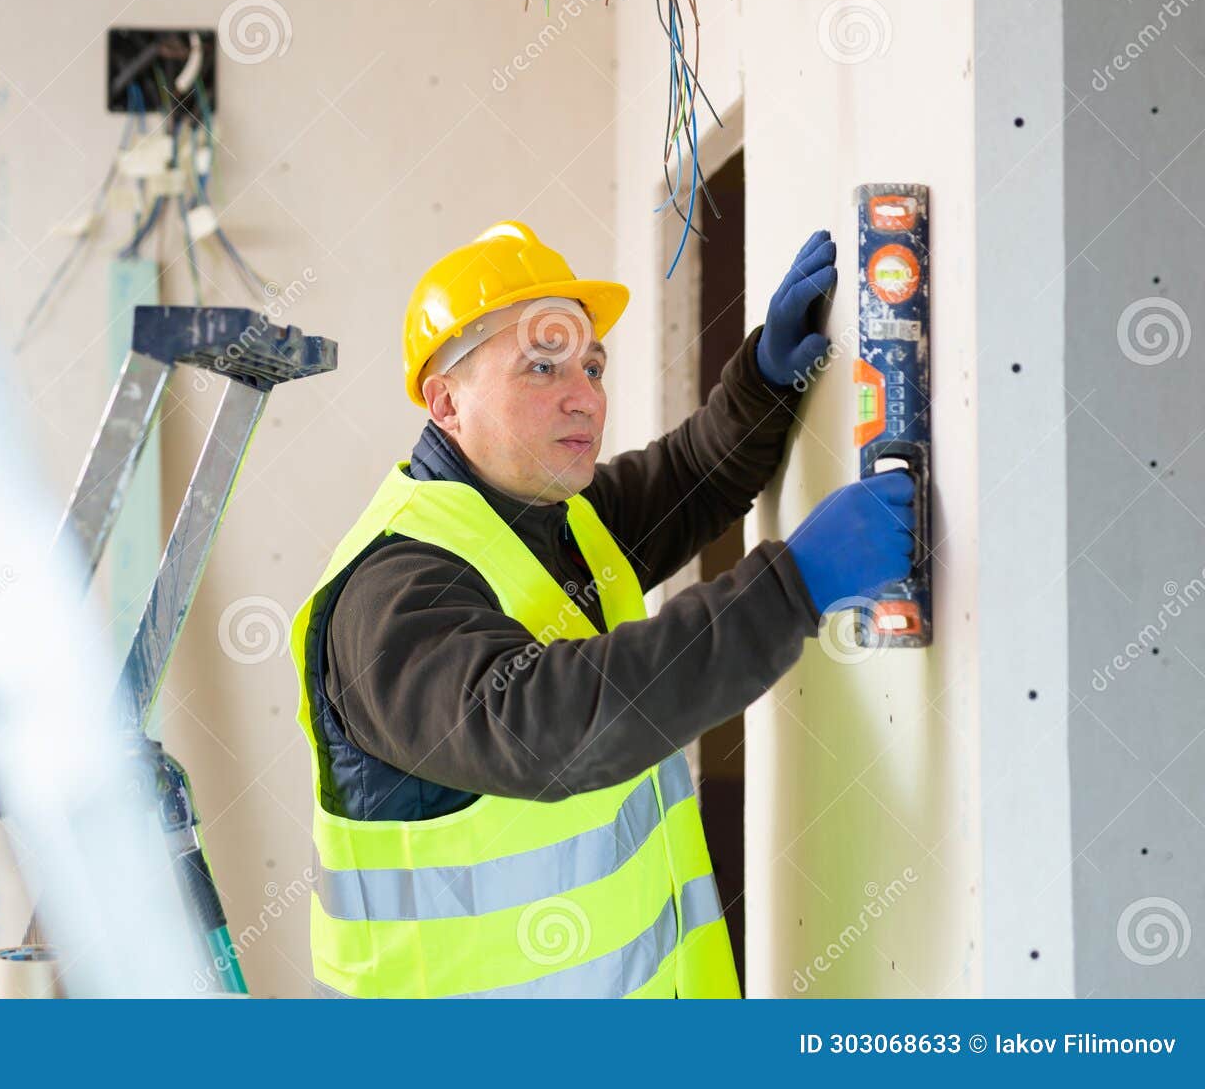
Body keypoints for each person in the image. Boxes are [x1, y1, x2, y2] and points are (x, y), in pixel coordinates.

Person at [289, 220, 914, 998]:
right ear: (446, 401)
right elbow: (549, 729)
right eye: (541, 367)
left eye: (592, 366)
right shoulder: (392, 594)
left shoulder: (553, 518)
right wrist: (793, 587)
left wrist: (761, 381)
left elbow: (687, 478)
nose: (585, 398)